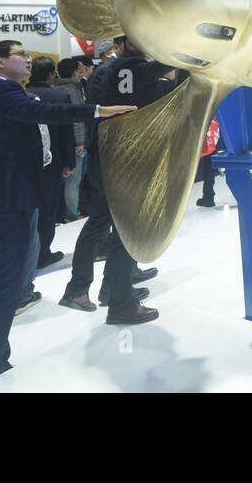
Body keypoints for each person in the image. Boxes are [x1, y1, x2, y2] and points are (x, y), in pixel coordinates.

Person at [0, 40, 135, 390]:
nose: (27, 60)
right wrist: (99, 111)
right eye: (20, 55)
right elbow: (48, 114)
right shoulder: (2, 94)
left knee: (2, 284)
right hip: (6, 206)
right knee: (6, 288)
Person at [60, 38, 169, 322]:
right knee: (126, 228)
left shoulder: (104, 71)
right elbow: (174, 63)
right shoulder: (136, 68)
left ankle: (80, 288)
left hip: (103, 156)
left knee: (98, 222)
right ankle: (120, 301)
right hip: (126, 160)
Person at [25, 56, 70, 267]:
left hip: (24, 163)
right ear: (52, 74)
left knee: (28, 209)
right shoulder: (59, 97)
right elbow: (65, 131)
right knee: (48, 208)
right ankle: (42, 254)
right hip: (52, 161)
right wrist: (69, 161)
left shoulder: (21, 95)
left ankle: (27, 254)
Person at [54, 58, 89, 223]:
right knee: (73, 181)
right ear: (75, 71)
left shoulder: (56, 87)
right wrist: (81, 141)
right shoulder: (72, 89)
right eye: (79, 68)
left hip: (60, 140)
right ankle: (72, 215)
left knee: (66, 180)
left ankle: (65, 213)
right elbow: (77, 117)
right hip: (75, 142)